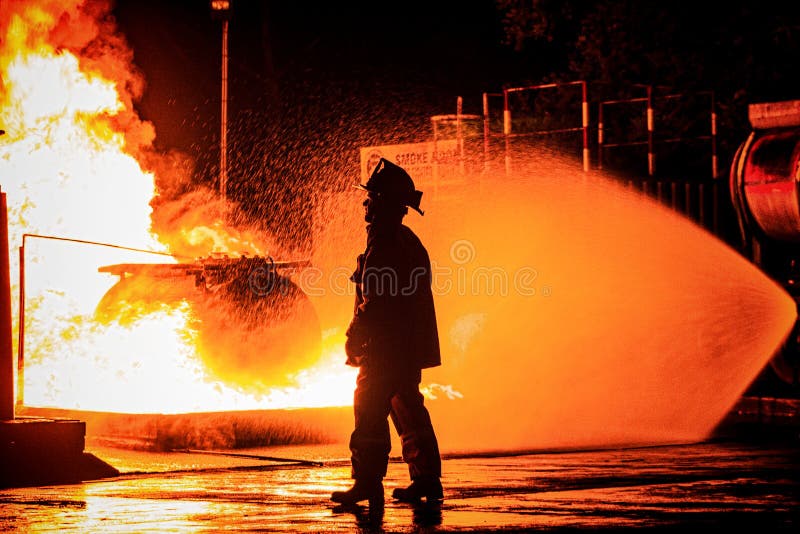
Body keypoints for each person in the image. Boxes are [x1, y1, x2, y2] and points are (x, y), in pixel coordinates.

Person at [331, 158, 443, 509]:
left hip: (385, 347)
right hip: (404, 347)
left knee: (367, 409)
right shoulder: (406, 239)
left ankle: (366, 482)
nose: (366, 204)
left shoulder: (386, 243)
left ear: (385, 202)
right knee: (408, 408)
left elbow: (376, 300)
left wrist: (353, 334)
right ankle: (426, 479)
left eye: (371, 197)